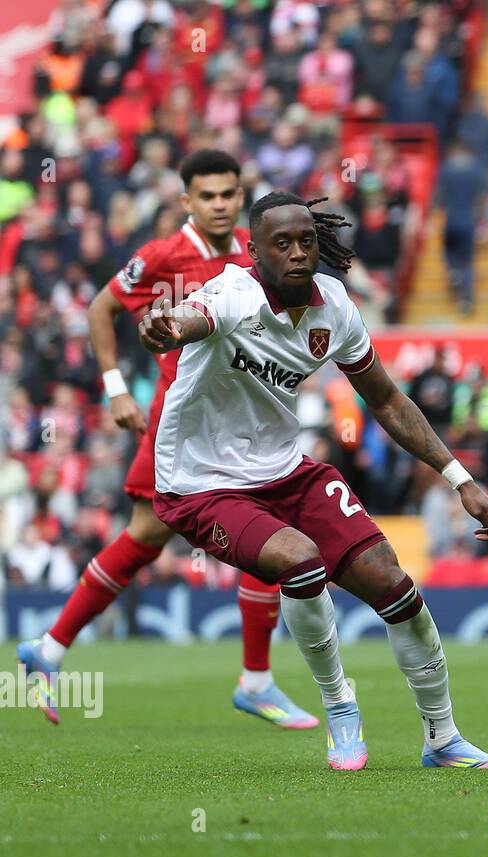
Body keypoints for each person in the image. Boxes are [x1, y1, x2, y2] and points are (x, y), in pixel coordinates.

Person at [137, 191, 488, 771]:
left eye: (306, 240)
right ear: (254, 251)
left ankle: (443, 739)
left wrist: (459, 478)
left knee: (395, 587)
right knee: (301, 560)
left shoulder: (333, 305)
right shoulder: (232, 294)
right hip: (201, 482)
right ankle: (341, 706)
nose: (296, 253)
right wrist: (166, 326)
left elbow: (386, 400)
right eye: (280, 243)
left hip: (287, 469)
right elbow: (191, 318)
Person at [16, 150, 316, 729]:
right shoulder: (161, 256)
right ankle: (254, 680)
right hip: (181, 421)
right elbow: (103, 309)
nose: (221, 205)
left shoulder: (257, 254)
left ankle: (49, 648)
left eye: (229, 193)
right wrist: (114, 389)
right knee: (247, 527)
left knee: (152, 535)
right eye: (208, 196)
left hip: (236, 418)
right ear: (187, 202)